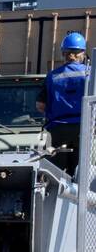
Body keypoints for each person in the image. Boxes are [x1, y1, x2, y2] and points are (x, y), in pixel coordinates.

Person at [36, 31, 90, 175]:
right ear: (82, 53)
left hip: (58, 130)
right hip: (84, 129)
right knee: (83, 173)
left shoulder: (52, 76)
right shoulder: (90, 74)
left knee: (57, 173)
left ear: (63, 53)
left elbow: (40, 105)